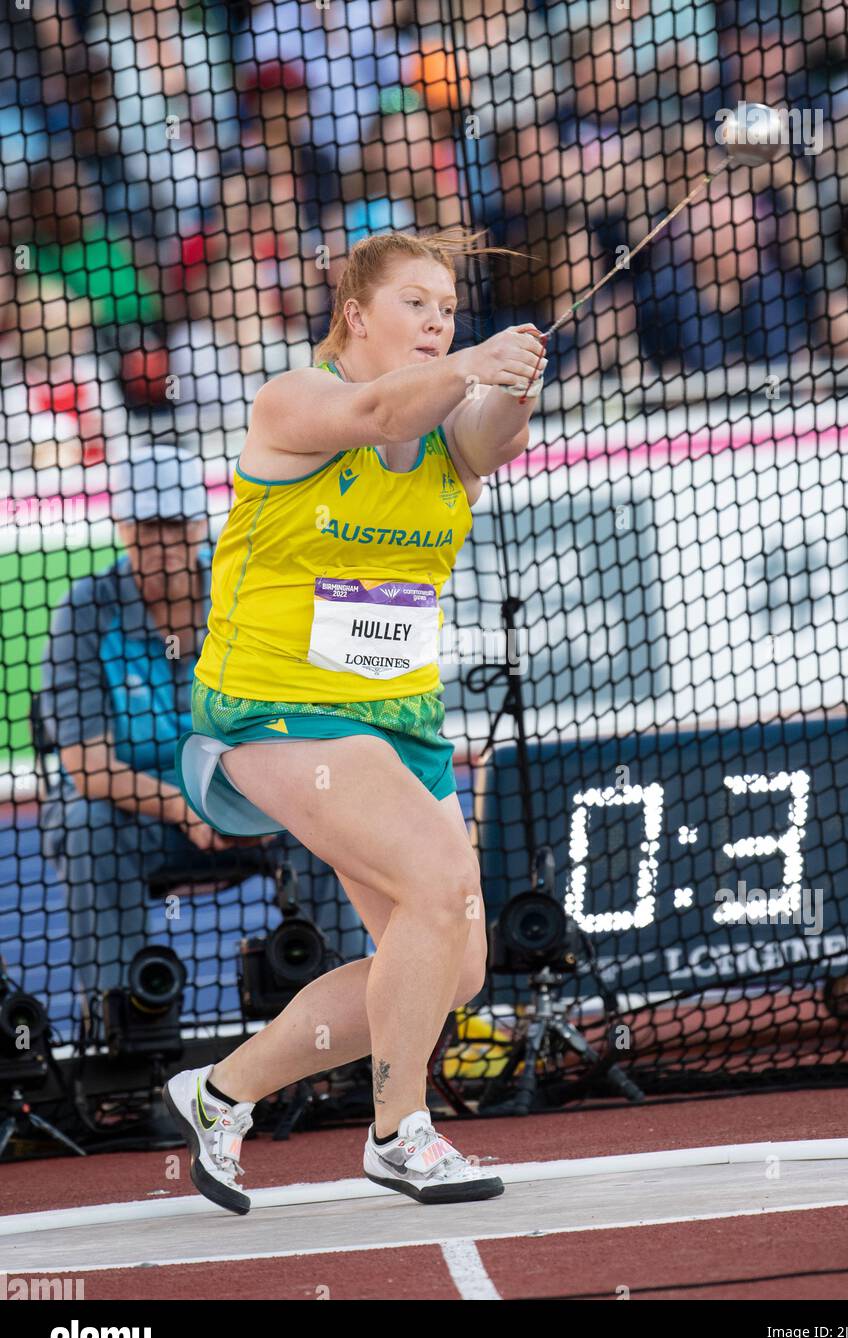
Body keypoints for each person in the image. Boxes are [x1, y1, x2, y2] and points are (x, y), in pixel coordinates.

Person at [165, 228, 547, 1210]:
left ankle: (221, 1092)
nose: (435, 319)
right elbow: (375, 406)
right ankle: (398, 1131)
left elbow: (496, 433)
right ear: (356, 313)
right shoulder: (293, 398)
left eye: (447, 307)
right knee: (441, 875)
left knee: (451, 964)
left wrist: (517, 375)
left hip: (396, 728)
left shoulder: (445, 433)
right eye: (415, 302)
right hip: (276, 712)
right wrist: (471, 358)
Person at [38, 441, 357, 1021]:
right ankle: (124, 1021)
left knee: (330, 804)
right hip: (144, 817)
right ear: (123, 528)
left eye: (175, 529)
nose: (161, 548)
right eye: (146, 530)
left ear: (198, 528)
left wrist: (256, 800)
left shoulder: (247, 590)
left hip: (256, 797)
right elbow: (88, 767)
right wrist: (188, 810)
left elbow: (302, 719)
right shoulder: (84, 612)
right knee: (85, 824)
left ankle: (348, 1013)